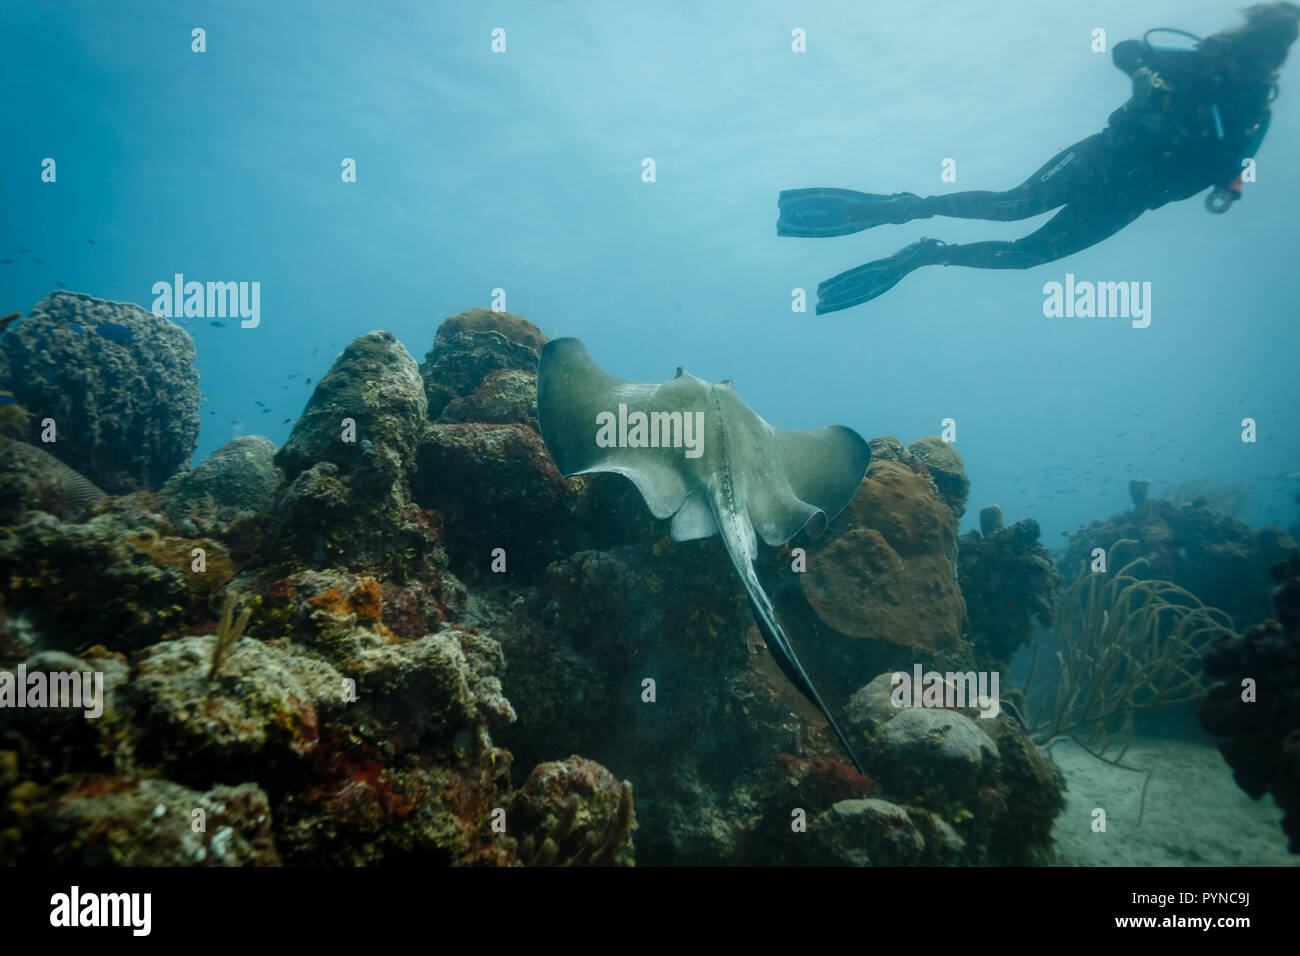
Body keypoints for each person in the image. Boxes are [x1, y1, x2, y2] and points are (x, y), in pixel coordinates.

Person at [779, 3, 1300, 314]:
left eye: (1268, 60)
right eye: (1256, 53)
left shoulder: (1257, 112)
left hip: (1133, 198)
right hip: (1106, 159)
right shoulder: (1201, 62)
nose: (1256, 66)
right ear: (1244, 43)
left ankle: (926, 253)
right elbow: (1124, 49)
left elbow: (1233, 171)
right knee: (1015, 205)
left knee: (1029, 254)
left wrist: (1227, 189)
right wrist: (1144, 76)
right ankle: (908, 206)